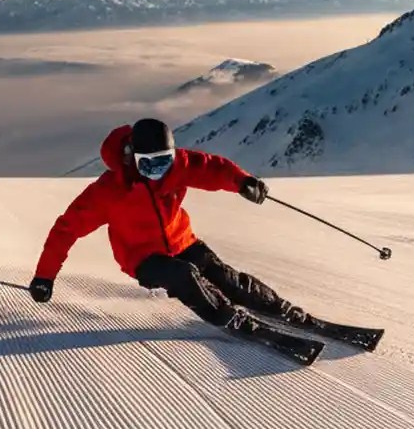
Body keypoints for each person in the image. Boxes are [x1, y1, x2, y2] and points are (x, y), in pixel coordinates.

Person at [29, 118, 312, 335]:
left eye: (163, 162)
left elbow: (213, 169)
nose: (158, 172)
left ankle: (277, 308)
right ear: (130, 157)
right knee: (184, 275)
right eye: (148, 165)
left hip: (182, 242)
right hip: (143, 258)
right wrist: (45, 277)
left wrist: (243, 182)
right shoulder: (109, 191)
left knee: (224, 276)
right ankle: (228, 317)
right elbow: (66, 230)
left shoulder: (178, 168)